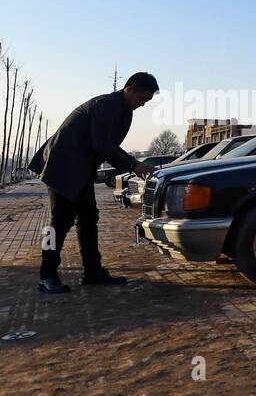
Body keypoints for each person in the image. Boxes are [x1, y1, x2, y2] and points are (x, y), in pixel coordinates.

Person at [28, 72, 161, 294]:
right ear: (130, 90)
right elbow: (102, 145)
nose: (142, 105)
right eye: (141, 99)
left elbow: (106, 146)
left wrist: (131, 163)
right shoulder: (106, 105)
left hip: (81, 169)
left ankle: (92, 272)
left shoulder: (124, 111)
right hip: (62, 165)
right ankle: (47, 275)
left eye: (146, 102)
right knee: (58, 223)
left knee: (88, 218)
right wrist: (133, 165)